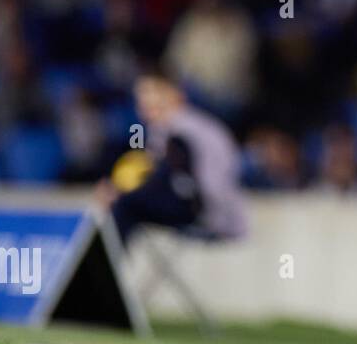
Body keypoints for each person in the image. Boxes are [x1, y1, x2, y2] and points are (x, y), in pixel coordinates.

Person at [99, 68, 248, 246]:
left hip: (211, 214)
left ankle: (107, 267)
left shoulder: (182, 129)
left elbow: (165, 177)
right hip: (204, 206)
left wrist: (120, 192)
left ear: (172, 93)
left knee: (125, 205)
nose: (143, 101)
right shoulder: (165, 129)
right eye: (140, 96)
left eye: (150, 93)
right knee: (127, 205)